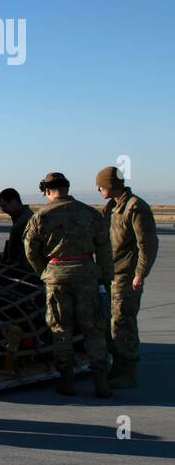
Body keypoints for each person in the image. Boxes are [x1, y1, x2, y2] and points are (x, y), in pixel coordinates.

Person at [23, 172, 111, 398]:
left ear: (46, 190)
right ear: (67, 187)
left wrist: (45, 272)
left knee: (61, 329)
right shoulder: (91, 213)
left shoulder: (41, 216)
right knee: (94, 329)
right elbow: (103, 248)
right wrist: (104, 276)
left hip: (57, 276)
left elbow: (30, 251)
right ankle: (101, 382)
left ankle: (68, 381)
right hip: (87, 274)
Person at [96, 166, 158, 389]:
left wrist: (140, 274)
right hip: (112, 274)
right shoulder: (112, 208)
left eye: (101, 185)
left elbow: (147, 244)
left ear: (110, 185)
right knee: (112, 322)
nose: (98, 189)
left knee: (123, 322)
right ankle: (118, 368)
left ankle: (127, 372)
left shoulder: (135, 207)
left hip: (127, 275)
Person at [0, 187, 33, 270]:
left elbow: (14, 257)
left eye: (4, 206)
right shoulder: (26, 217)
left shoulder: (21, 223)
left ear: (14, 201)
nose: (3, 210)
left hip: (21, 269)